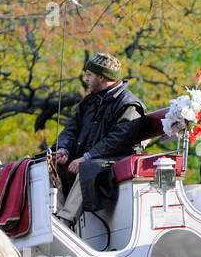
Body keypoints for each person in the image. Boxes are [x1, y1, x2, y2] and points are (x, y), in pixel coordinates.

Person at [52, 52, 147, 225]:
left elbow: (118, 140)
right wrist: (64, 148)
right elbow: (71, 129)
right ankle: (53, 217)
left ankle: (64, 222)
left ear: (102, 77)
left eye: (89, 75)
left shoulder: (128, 104)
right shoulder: (90, 102)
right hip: (91, 159)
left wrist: (87, 157)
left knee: (86, 168)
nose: (86, 79)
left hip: (113, 160)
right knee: (49, 164)